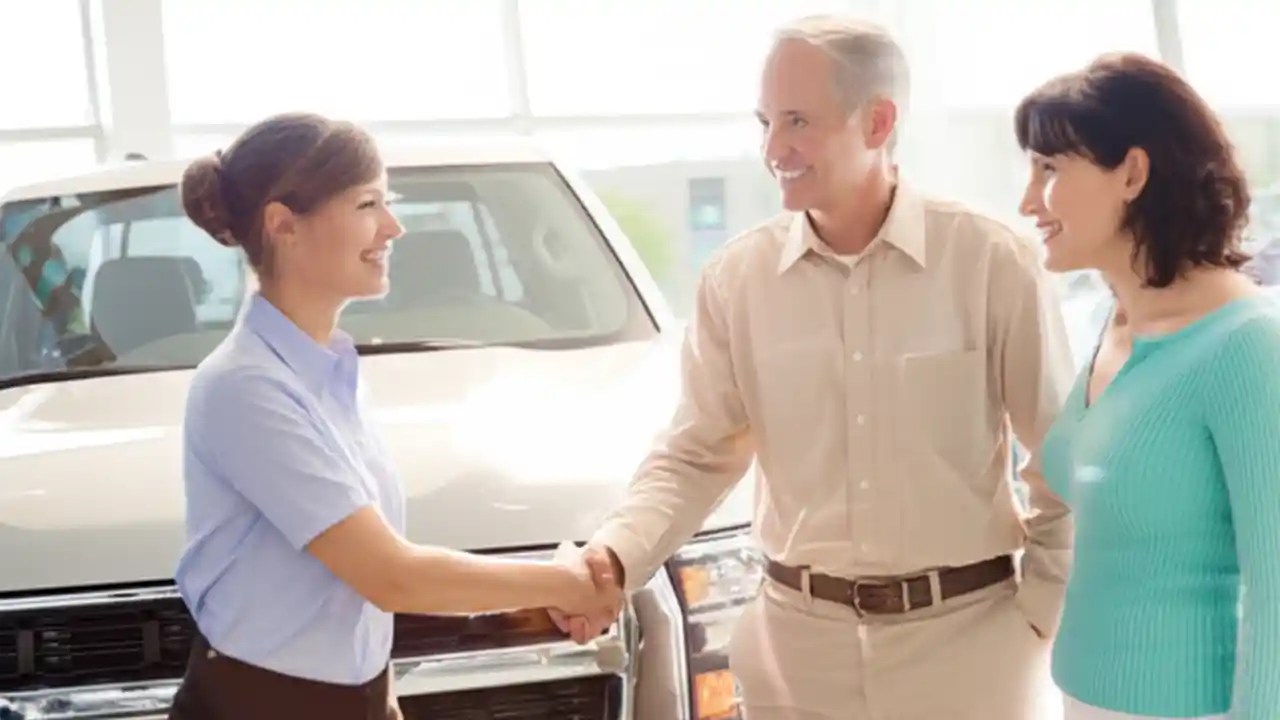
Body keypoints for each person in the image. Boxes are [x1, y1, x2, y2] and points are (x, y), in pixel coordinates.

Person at [555, 15, 1076, 720]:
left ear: (879, 121)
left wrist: (1041, 612)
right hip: (797, 657)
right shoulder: (737, 281)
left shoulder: (991, 261)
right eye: (766, 121)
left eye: (798, 121)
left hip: (970, 649)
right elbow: (696, 455)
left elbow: (1064, 460)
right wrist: (613, 561)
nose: (774, 148)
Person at [168, 112, 620, 720]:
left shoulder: (328, 373)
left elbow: (359, 602)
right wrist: (566, 584)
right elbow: (392, 577)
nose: (394, 227)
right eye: (367, 204)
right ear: (283, 224)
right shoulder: (246, 386)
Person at [1017, 53, 1280, 720]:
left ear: (1132, 172)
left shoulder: (1245, 345)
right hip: (1083, 695)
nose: (1028, 200)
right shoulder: (1115, 321)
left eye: (1049, 169)